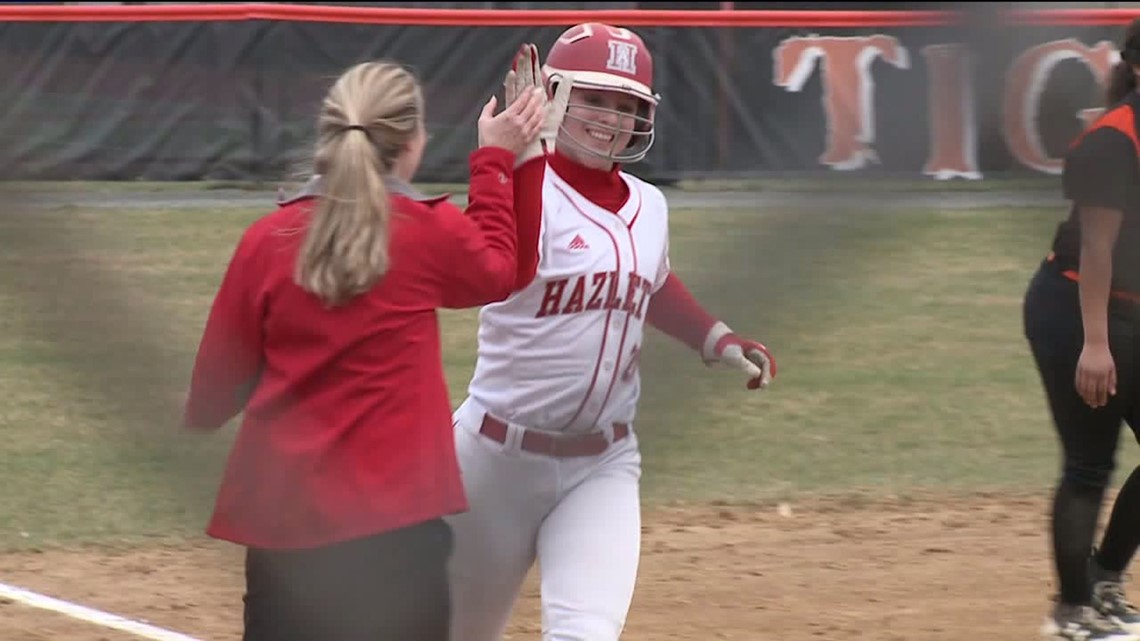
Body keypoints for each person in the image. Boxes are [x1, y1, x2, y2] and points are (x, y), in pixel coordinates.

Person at [181, 59, 547, 641]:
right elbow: (504, 270)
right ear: (413, 144)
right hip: (396, 533)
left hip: (285, 534)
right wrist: (504, 157)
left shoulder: (265, 242)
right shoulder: (426, 232)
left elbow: (207, 407)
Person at [445, 23, 777, 641]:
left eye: (627, 105)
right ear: (554, 95)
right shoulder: (521, 185)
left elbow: (651, 284)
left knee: (587, 632)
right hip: (493, 462)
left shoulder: (650, 204)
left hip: (602, 463)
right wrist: (521, 162)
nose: (611, 117)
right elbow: (511, 271)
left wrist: (716, 339)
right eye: (595, 98)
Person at [1025, 17, 1140, 641]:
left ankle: (1101, 583)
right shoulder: (1112, 140)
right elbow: (1098, 250)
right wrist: (1096, 346)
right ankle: (1072, 614)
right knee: (1090, 462)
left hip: (1132, 307)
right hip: (1077, 308)